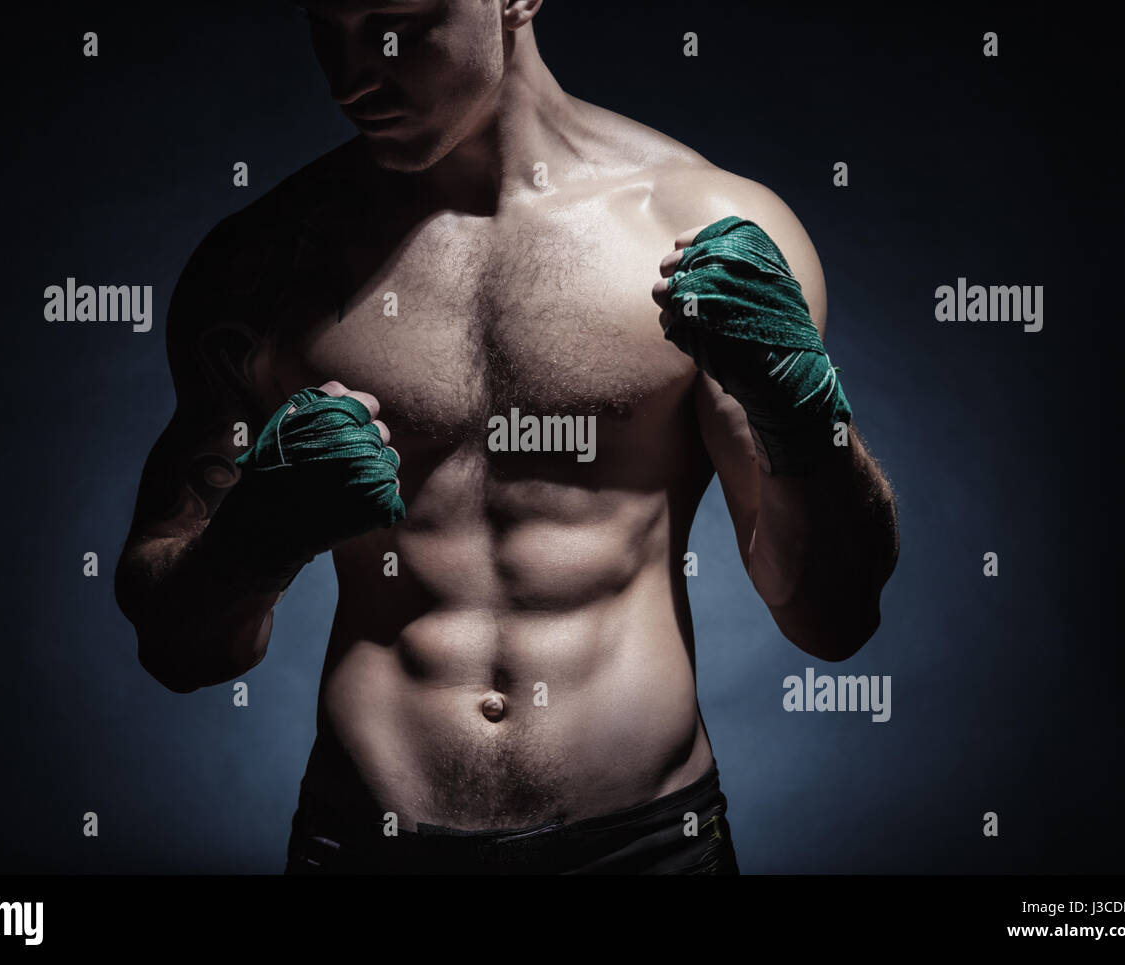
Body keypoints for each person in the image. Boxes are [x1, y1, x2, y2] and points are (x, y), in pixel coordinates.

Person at [114, 0, 899, 874]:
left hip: (643, 851)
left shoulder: (699, 226)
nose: (350, 77)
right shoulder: (265, 265)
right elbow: (176, 648)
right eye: (326, 29)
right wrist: (251, 539)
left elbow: (830, 619)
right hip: (368, 847)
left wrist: (802, 410)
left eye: (396, 24)